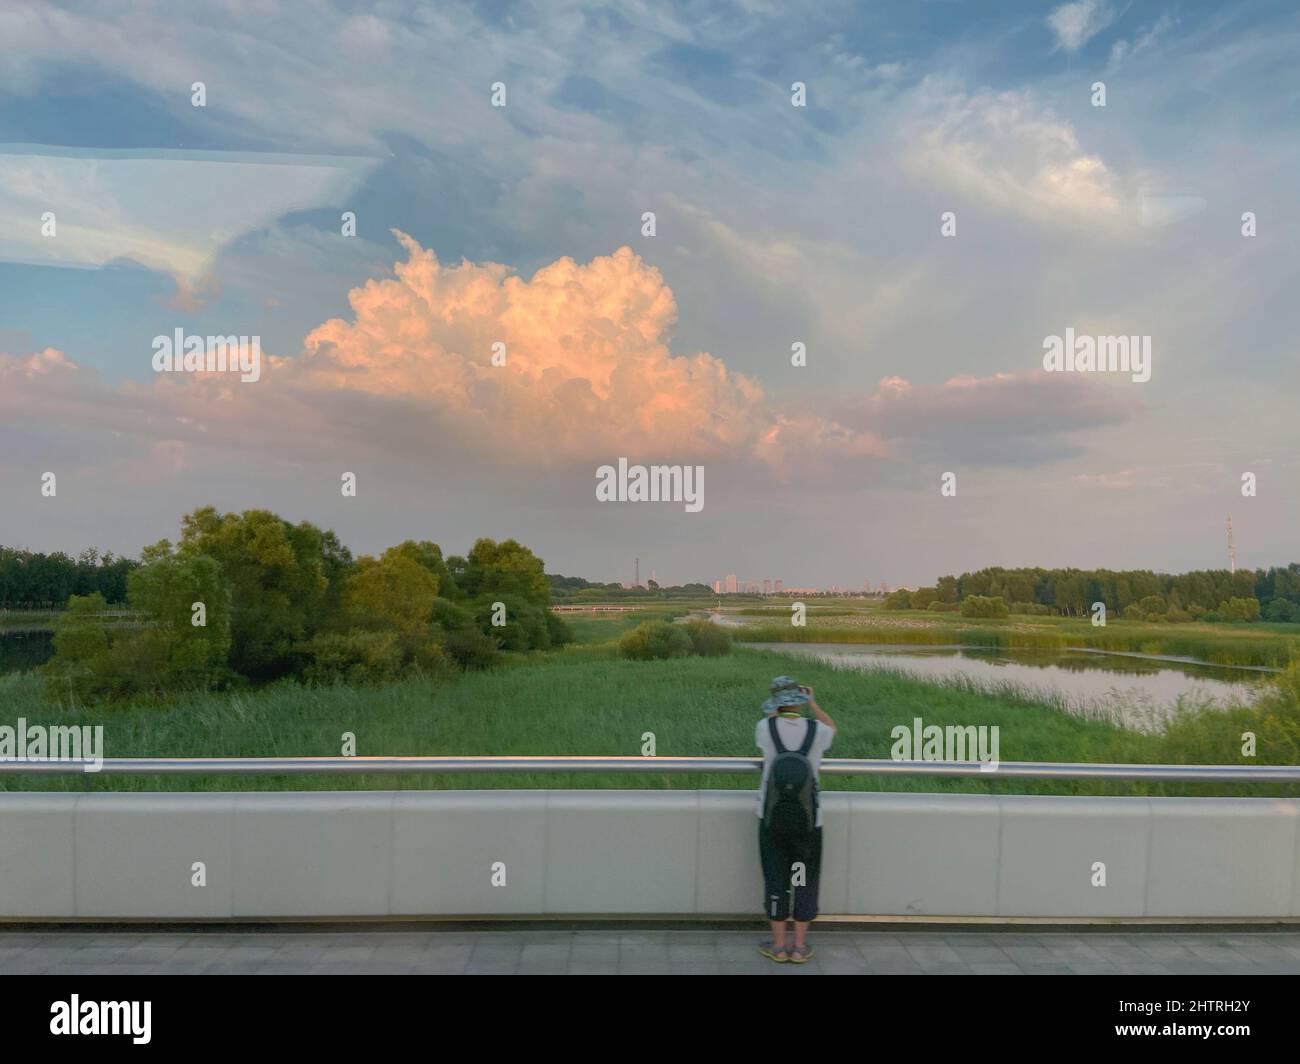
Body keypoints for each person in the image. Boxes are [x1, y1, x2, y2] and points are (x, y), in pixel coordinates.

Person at [755, 676, 836, 964]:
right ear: (799, 701)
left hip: (772, 820)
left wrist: (776, 712)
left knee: (776, 877)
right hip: (807, 824)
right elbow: (832, 728)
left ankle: (778, 946)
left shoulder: (765, 728)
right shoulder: (817, 731)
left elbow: (770, 721)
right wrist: (813, 702)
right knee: (803, 878)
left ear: (776, 704)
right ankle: (799, 947)